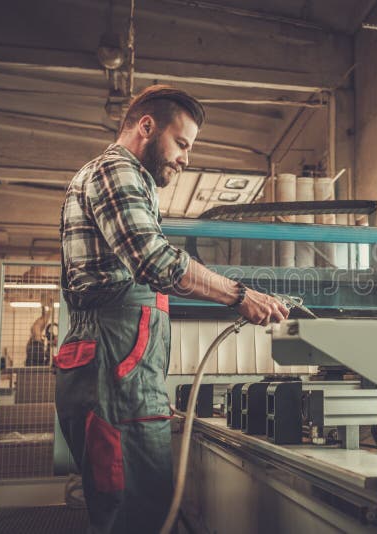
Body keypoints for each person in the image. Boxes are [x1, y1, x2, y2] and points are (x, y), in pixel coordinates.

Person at [55, 84, 289, 533]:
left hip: (116, 366)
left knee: (134, 504)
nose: (185, 158)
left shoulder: (128, 180)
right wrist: (240, 296)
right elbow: (154, 260)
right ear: (147, 126)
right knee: (134, 510)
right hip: (113, 367)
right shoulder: (116, 170)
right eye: (181, 143)